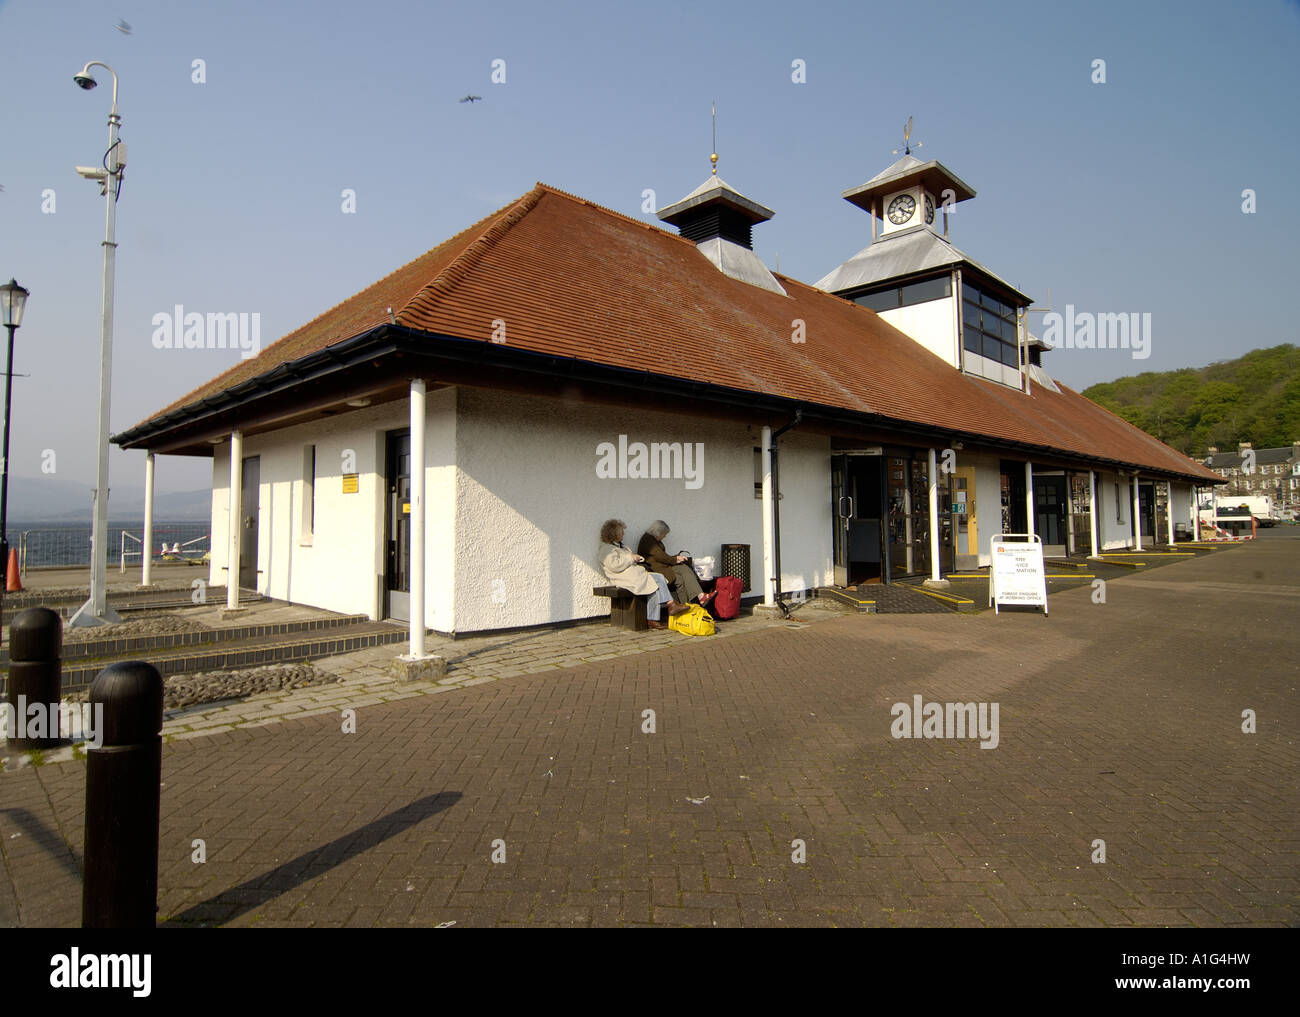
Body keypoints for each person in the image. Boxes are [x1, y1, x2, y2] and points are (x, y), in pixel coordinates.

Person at [598, 519, 689, 629]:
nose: (623, 534)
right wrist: (630, 558)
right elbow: (614, 565)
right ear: (614, 533)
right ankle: (668, 607)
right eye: (621, 531)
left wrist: (634, 558)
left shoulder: (619, 546)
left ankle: (656, 616)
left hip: (633, 576)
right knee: (657, 580)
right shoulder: (606, 549)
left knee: (657, 581)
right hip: (622, 578)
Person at [637, 520, 715, 608]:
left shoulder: (652, 539)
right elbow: (660, 556)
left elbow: (661, 556)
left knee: (679, 580)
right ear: (658, 532)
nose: (665, 536)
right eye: (664, 534)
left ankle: (686, 606)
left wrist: (676, 557)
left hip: (663, 568)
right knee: (683, 568)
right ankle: (701, 596)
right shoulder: (648, 540)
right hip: (657, 570)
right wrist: (676, 559)